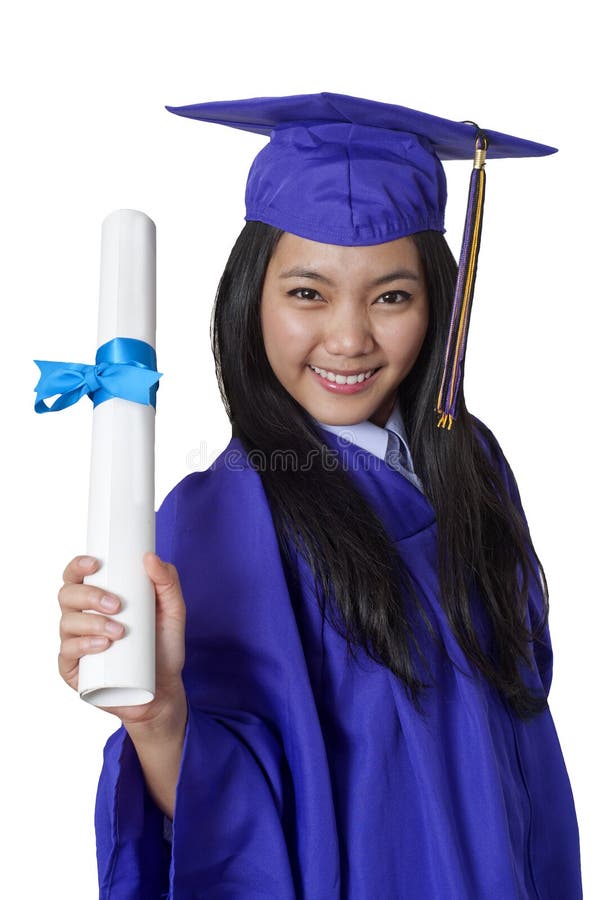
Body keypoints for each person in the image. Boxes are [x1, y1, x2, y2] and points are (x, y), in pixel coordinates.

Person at [57, 94, 583, 898]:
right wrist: (160, 721)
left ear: (438, 304)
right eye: (308, 293)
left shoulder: (473, 467)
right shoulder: (224, 516)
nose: (349, 339)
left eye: (391, 296)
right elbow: (230, 814)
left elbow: (523, 725)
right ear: (251, 299)